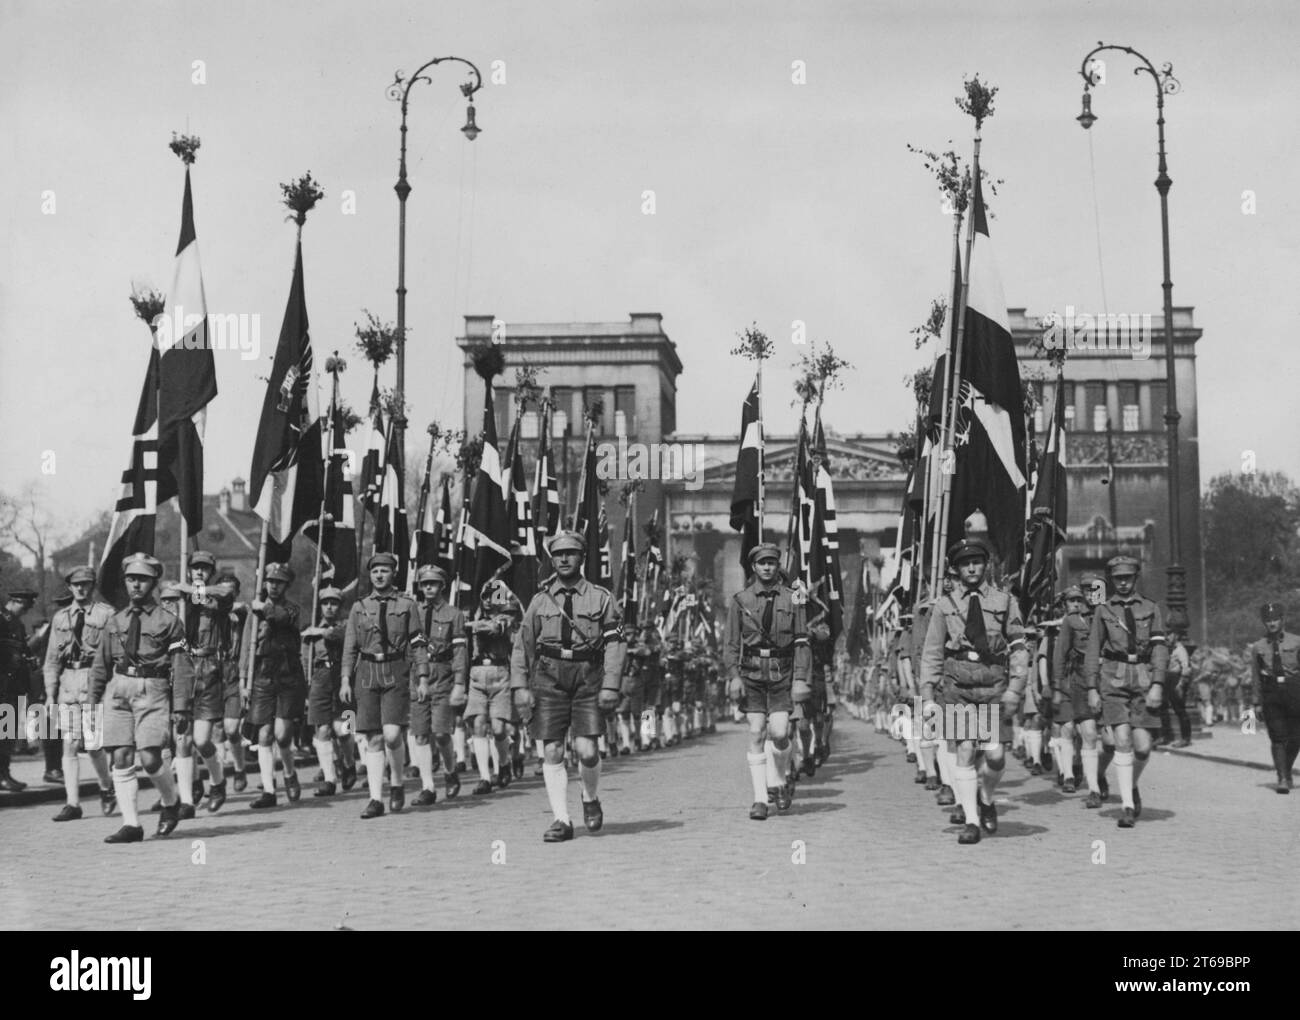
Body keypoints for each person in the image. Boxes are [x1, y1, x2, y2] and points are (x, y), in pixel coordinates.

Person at [510, 531, 626, 842]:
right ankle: (561, 819)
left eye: (571, 553)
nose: (563, 559)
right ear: (552, 558)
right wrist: (520, 685)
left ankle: (589, 797)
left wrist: (611, 684)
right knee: (552, 748)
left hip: (588, 675)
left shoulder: (601, 598)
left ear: (582, 557)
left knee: (587, 751)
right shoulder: (539, 601)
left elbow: (615, 645)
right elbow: (523, 646)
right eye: (558, 554)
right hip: (549, 676)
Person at [918, 539, 1027, 845]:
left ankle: (987, 799)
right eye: (965, 564)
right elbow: (932, 653)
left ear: (986, 565)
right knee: (965, 750)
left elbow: (1018, 646)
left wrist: (1016, 687)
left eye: (977, 562)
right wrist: (928, 696)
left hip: (993, 685)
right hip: (960, 687)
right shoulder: (944, 606)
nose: (971, 568)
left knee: (994, 756)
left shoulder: (1005, 601)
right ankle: (971, 821)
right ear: (956, 568)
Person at [89, 554, 187, 842]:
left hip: (152, 689)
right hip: (118, 688)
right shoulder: (115, 621)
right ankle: (131, 824)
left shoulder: (169, 622)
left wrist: (181, 707)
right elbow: (100, 664)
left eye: (143, 579)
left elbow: (181, 666)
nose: (136, 584)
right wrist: (92, 702)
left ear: (153, 582)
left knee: (150, 757)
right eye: (131, 578)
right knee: (120, 755)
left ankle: (171, 803)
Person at [724, 543, 811, 821]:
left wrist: (800, 678)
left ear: (778, 565)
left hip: (781, 673)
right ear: (754, 567)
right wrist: (734, 677)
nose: (767, 567)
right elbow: (730, 644)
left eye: (772, 562)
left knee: (781, 733)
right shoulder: (740, 600)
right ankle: (761, 798)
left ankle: (779, 778)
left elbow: (801, 641)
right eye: (762, 563)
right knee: (757, 732)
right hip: (751, 674)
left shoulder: (792, 599)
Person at [341, 552, 430, 819]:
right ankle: (376, 799)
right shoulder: (359, 607)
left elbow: (417, 643)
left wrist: (422, 676)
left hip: (395, 671)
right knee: (373, 738)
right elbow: (350, 647)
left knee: (392, 735)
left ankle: (398, 783)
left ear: (394, 573)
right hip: (367, 673)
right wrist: (345, 678)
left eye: (385, 570)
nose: (380, 575)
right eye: (375, 571)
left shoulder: (407, 605)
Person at [1083, 555, 1167, 829]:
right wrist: (1092, 688)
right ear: (1111, 580)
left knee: (1142, 747)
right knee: (1121, 740)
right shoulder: (1103, 610)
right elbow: (1093, 650)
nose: (1122, 583)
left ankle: (1130, 785)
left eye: (1127, 577)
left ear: (1135, 578)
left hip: (1142, 678)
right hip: (1114, 679)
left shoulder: (1152, 608)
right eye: (1117, 578)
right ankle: (1127, 806)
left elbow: (1159, 648)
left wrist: (1158, 683)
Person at [44, 568, 117, 820]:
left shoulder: (106, 614)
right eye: (76, 584)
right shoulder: (60, 618)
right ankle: (73, 803)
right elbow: (52, 660)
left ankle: (107, 787)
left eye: (85, 584)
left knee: (93, 744)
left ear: (93, 585)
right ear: (70, 587)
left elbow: (114, 655)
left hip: (94, 682)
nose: (80, 589)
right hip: (68, 684)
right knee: (70, 743)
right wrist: (50, 694)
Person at [171, 551, 237, 816]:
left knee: (201, 740)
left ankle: (218, 781)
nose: (199, 572)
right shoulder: (181, 600)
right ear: (188, 570)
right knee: (182, 740)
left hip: (209, 669)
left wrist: (194, 588)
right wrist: (183, 592)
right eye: (195, 568)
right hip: (184, 668)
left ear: (211, 573)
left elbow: (225, 593)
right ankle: (186, 801)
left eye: (204, 569)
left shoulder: (217, 599)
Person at [244, 563, 307, 810]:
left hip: (288, 676)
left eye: (279, 582)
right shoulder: (255, 611)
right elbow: (246, 647)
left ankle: (290, 772)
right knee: (264, 735)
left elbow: (281, 618)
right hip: (263, 676)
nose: (273, 585)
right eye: (270, 581)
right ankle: (269, 790)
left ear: (286, 585)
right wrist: (243, 680)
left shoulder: (291, 609)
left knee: (282, 735)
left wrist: (264, 608)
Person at [412, 564, 467, 803]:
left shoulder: (454, 614)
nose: (428, 588)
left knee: (442, 733)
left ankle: (450, 771)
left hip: (443, 675)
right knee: (421, 735)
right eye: (424, 584)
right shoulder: (413, 612)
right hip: (418, 677)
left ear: (442, 586)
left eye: (433, 583)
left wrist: (459, 683)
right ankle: (428, 787)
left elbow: (460, 652)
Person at [467, 577, 517, 795]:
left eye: (491, 596)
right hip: (476, 674)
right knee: (478, 724)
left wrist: (468, 625)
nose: (487, 601)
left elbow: (496, 627)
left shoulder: (506, 616)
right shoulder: (472, 614)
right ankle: (484, 777)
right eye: (484, 596)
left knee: (498, 729)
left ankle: (504, 763)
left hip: (500, 674)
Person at [303, 587, 355, 797]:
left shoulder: (346, 626)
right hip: (320, 679)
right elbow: (305, 659)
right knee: (322, 730)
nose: (329, 607)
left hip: (342, 678)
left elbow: (342, 638)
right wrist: (307, 688)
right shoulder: (311, 630)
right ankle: (329, 779)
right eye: (325, 603)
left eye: (334, 603)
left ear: (340, 606)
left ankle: (349, 763)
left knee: (343, 729)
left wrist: (323, 632)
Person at [1249, 603, 1300, 793]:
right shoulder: (1258, 647)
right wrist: (1256, 703)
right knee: (1277, 737)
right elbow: (1255, 676)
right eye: (1268, 620)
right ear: (1264, 622)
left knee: (1296, 737)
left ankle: (1285, 770)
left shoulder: (1296, 642)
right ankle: (1282, 779)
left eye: (1275, 619)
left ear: (1282, 620)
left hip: (1294, 690)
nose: (1272, 623)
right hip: (1271, 693)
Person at [0, 589, 39, 792]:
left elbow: (23, 650)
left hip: (12, 686)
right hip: (2, 684)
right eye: (24, 606)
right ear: (14, 601)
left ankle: (4, 773)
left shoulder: (17, 623)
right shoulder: (2, 619)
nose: (26, 610)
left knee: (6, 732)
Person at [217, 575, 250, 792]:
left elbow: (246, 608)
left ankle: (240, 767)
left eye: (230, 591)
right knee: (214, 731)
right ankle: (218, 780)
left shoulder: (241, 613)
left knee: (231, 729)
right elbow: (196, 601)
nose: (226, 595)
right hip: (210, 671)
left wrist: (229, 606)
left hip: (233, 672)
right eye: (222, 591)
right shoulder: (209, 610)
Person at [1159, 629, 1193, 749]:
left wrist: (1181, 685)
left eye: (1169, 634)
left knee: (1179, 709)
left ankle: (1185, 738)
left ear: (1176, 635)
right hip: (1167, 679)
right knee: (1162, 707)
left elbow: (1186, 668)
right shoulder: (1169, 649)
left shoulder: (1180, 650)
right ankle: (1166, 736)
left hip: (1176, 680)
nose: (1167, 637)